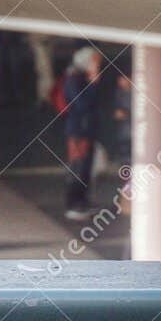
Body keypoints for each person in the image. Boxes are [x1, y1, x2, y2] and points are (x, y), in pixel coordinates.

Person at [59, 45, 102, 220]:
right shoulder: (74, 79)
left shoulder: (79, 78)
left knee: (86, 167)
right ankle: (74, 204)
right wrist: (93, 84)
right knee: (79, 166)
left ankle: (82, 202)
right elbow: (82, 104)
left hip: (85, 129)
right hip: (78, 131)